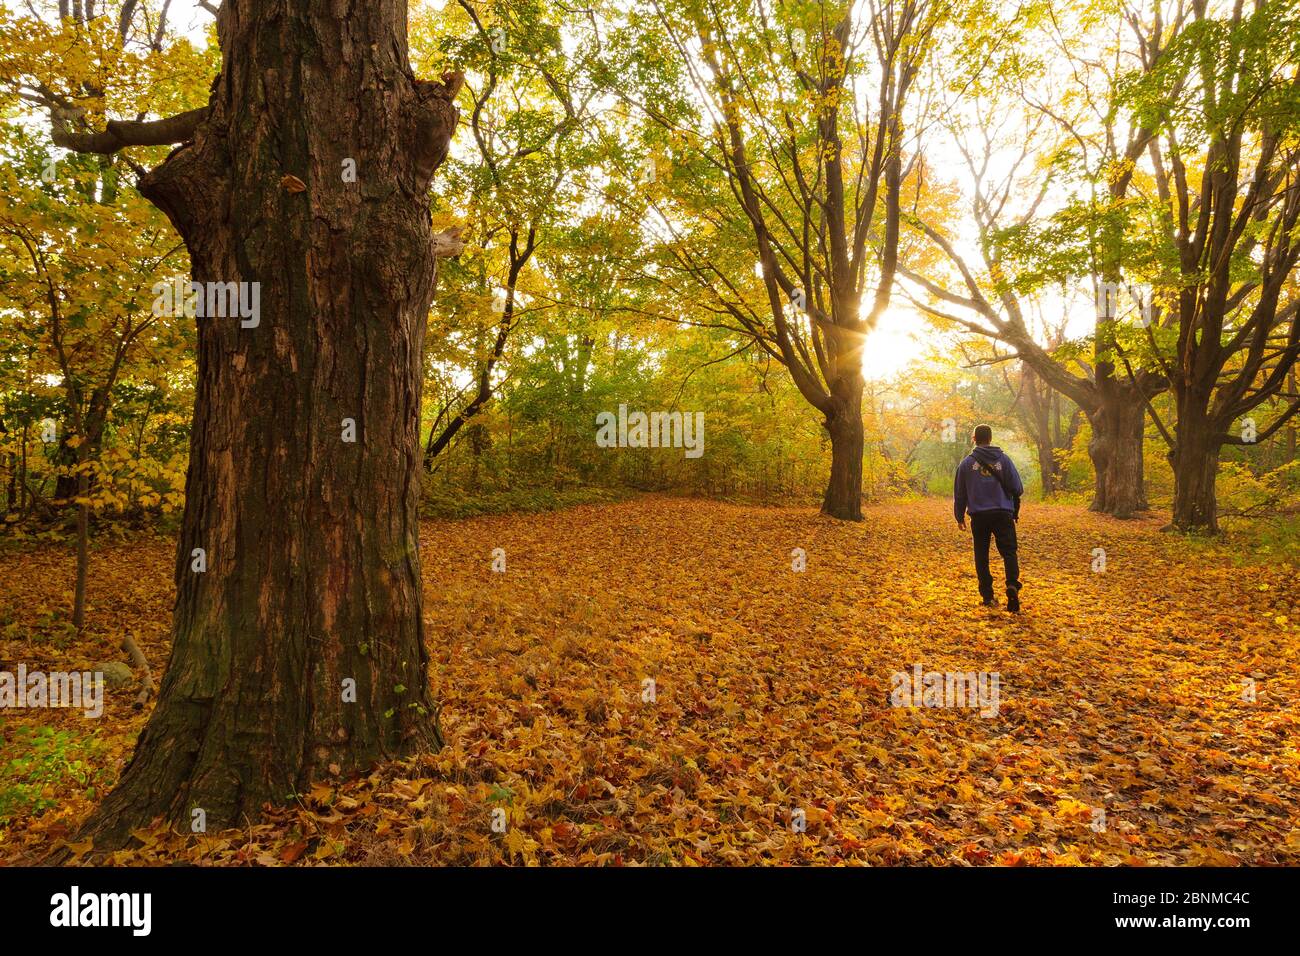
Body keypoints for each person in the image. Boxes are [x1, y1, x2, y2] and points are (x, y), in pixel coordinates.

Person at [954, 424, 1024, 612]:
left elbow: (960, 493)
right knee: (1009, 552)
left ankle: (987, 595)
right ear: (990, 438)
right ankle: (1011, 585)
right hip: (1003, 513)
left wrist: (959, 516)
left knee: (981, 555)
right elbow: (1018, 488)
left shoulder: (967, 464)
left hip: (979, 515)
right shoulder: (1004, 460)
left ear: (974, 439)